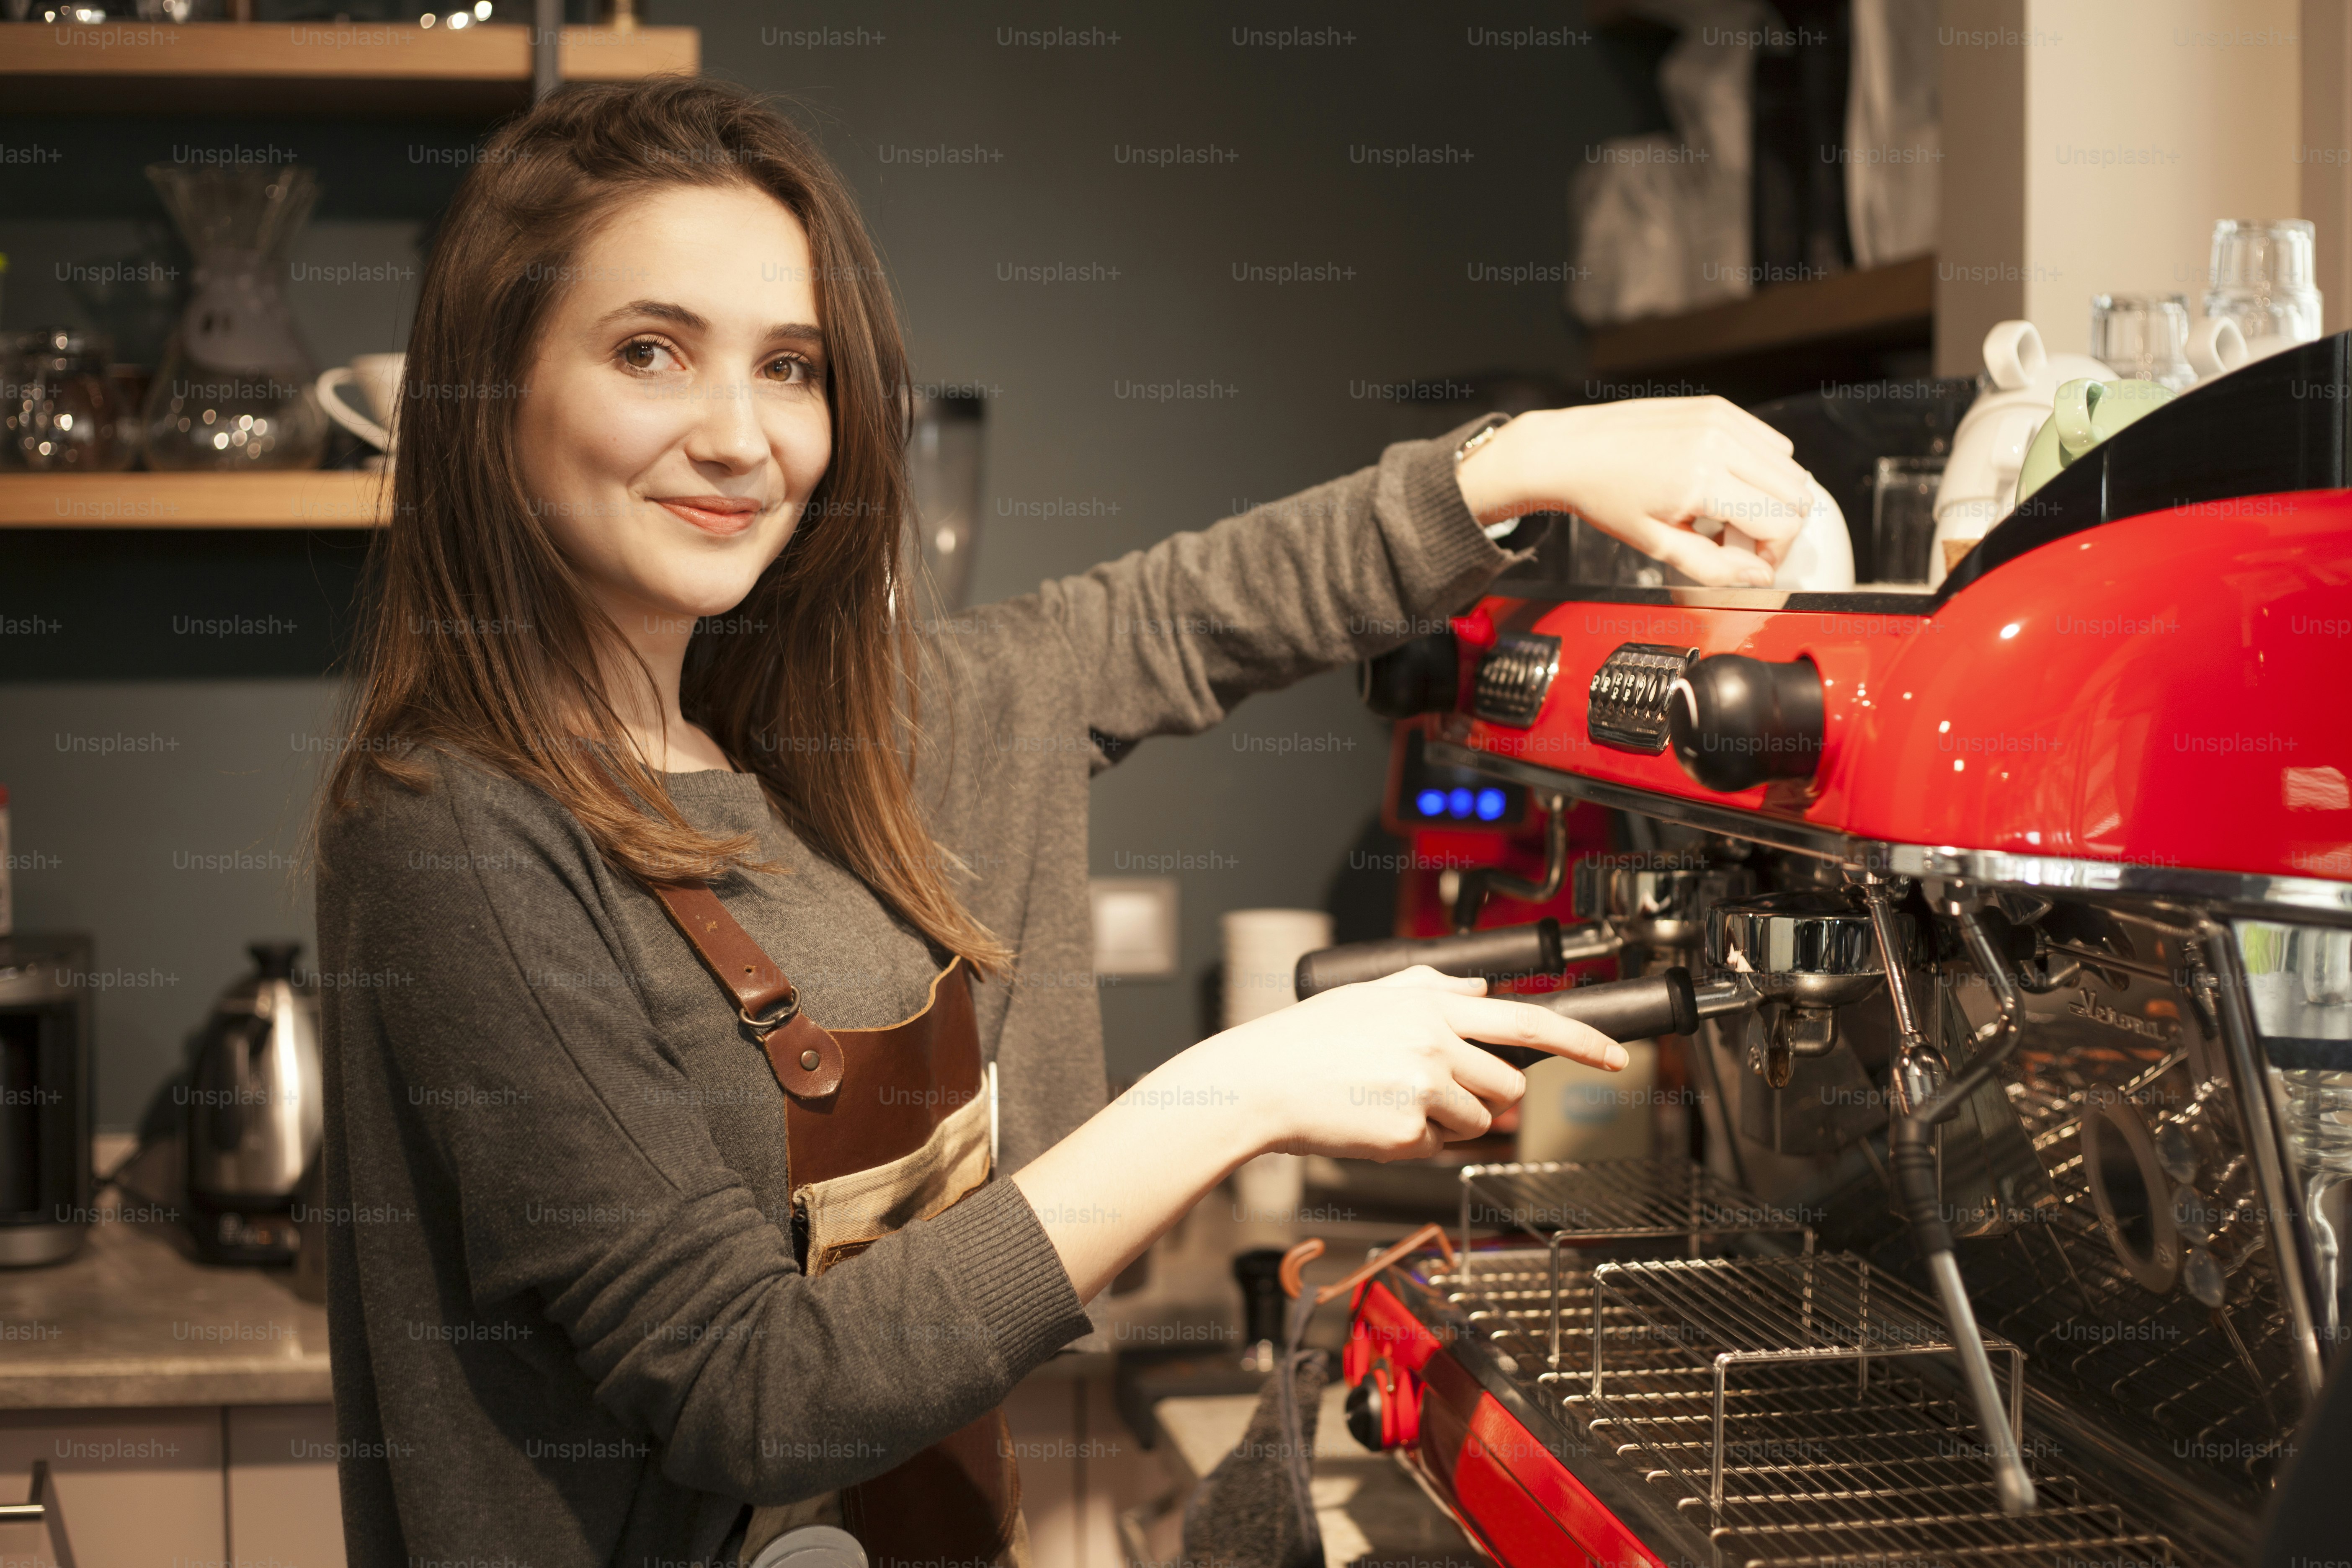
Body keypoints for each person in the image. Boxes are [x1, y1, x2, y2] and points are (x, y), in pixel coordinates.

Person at [312, 76, 1816, 1568]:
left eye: (790, 366)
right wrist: (1231, 1094)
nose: (739, 436)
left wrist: (1527, 465)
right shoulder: (451, 830)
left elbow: (1168, 619)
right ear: (490, 391)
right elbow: (748, 1388)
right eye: (651, 352)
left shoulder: (811, 737)